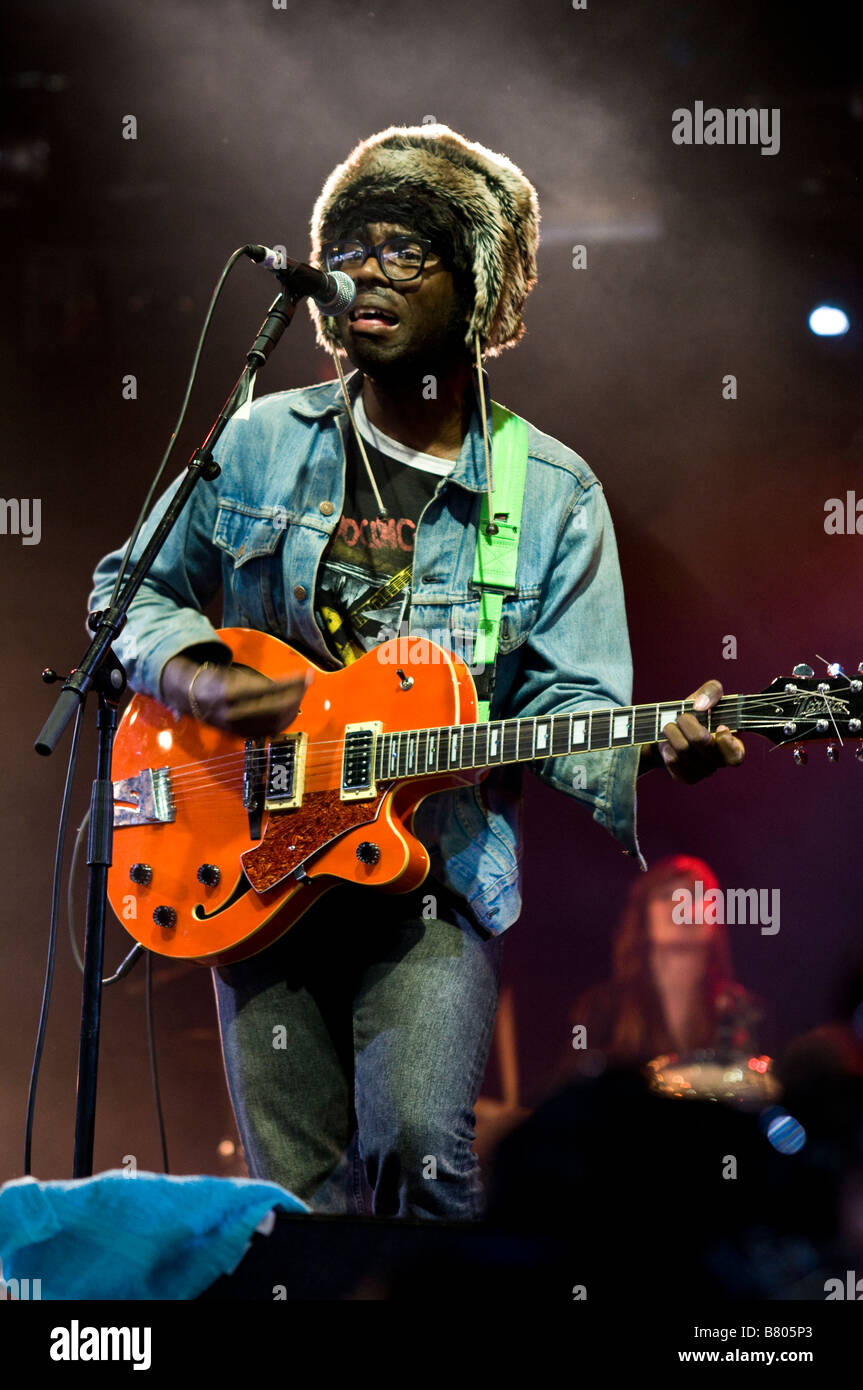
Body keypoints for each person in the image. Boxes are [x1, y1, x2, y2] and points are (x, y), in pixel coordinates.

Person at [88, 124, 744, 1220]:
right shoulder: (257, 442)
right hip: (255, 866)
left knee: (416, 1158)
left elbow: (574, 703)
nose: (363, 275)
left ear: (478, 289)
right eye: (345, 249)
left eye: (403, 250)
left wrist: (654, 746)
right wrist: (193, 671)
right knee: (292, 1202)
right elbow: (124, 590)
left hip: (431, 885)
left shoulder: (547, 494)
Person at [565, 854, 764, 1074]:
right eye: (666, 895)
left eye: (694, 895)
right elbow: (573, 1086)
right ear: (643, 915)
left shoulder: (743, 1012)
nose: (681, 906)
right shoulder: (599, 1009)